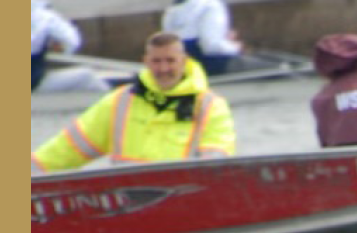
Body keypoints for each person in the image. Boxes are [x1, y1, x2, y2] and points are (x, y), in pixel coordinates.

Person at [31, 32, 237, 171]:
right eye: (156, 61)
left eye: (170, 61)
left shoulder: (210, 106)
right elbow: (67, 148)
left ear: (184, 62)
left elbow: (216, 162)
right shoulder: (120, 101)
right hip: (128, 205)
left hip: (184, 201)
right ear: (145, 62)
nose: (163, 68)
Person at [161, 0, 242, 76]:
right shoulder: (210, 3)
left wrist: (224, 39)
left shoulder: (176, 4)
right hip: (209, 65)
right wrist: (235, 47)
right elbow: (210, 45)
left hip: (181, 66)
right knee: (272, 63)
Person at [30, 0, 82, 91]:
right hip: (32, 84)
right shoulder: (46, 17)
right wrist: (57, 46)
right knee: (87, 77)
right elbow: (71, 42)